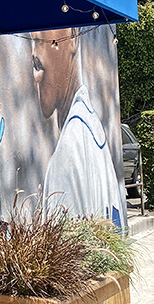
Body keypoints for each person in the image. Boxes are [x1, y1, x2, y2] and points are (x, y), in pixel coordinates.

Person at [31, 27, 124, 226]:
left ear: (73, 36)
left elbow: (65, 249)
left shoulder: (70, 147)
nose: (36, 77)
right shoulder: (91, 126)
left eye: (40, 41)